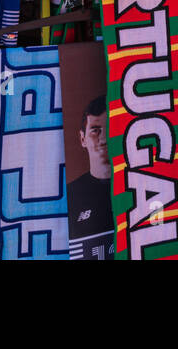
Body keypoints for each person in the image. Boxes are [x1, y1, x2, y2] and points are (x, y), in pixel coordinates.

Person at [66, 96, 115, 258]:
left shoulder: (138, 183)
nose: (103, 137)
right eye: (95, 130)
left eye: (110, 128)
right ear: (82, 139)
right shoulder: (69, 196)